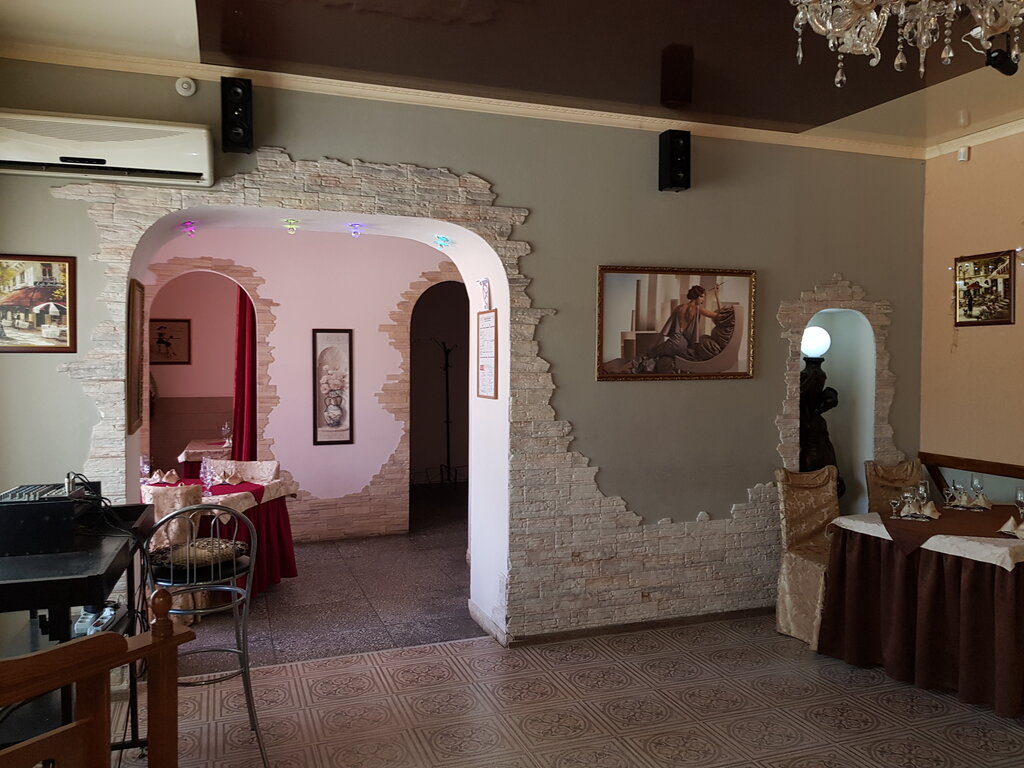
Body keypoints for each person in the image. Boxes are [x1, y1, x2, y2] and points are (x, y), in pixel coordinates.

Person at [646, 284, 720, 358]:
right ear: (696, 297)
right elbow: (719, 315)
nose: (703, 300)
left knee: (651, 352)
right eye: (702, 297)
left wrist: (656, 345)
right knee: (653, 353)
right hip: (684, 345)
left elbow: (665, 331)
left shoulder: (679, 308)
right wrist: (717, 295)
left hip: (673, 342)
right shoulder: (698, 309)